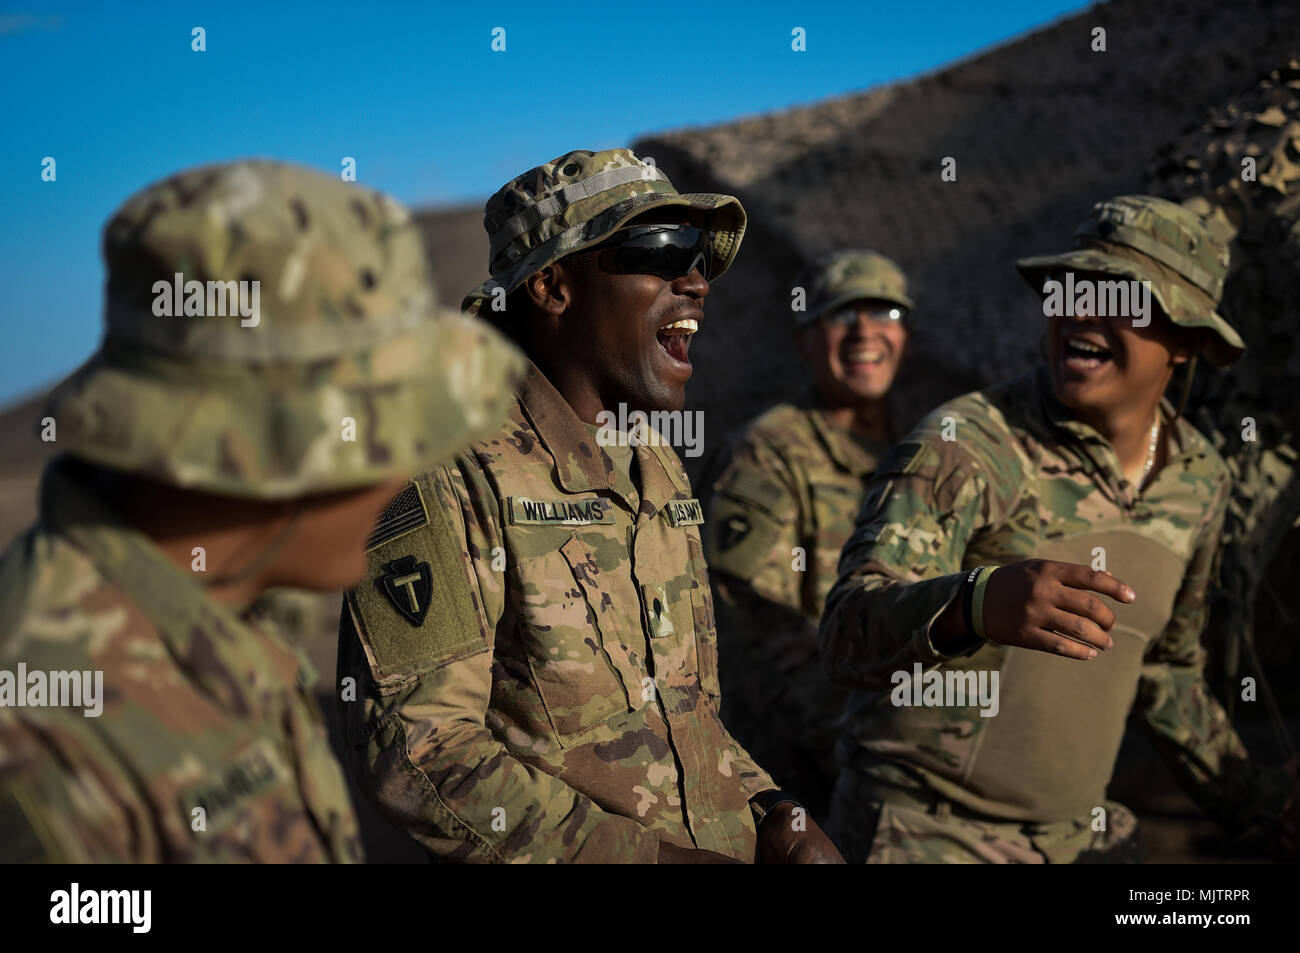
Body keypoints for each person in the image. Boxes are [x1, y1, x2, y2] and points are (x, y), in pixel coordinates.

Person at [0, 159, 523, 862]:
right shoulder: (42, 743)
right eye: (390, 431)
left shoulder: (217, 612)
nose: (410, 467)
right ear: (263, 451)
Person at [338, 147, 843, 863]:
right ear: (551, 285)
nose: (695, 280)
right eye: (661, 249)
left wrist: (772, 811)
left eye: (699, 255)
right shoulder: (448, 472)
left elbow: (681, 716)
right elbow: (419, 754)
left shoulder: (654, 464)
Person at [820, 194, 1296, 863]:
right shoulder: (968, 444)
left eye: (1121, 297)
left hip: (1077, 839)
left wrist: (1263, 805)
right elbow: (844, 633)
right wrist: (976, 603)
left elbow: (1167, 670)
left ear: (1186, 341)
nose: (1078, 311)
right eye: (1070, 288)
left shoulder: (1200, 481)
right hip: (926, 835)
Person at [702, 250, 913, 820]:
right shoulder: (767, 453)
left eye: (885, 314)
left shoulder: (923, 451)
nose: (865, 332)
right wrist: (872, 761)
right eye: (842, 316)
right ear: (804, 340)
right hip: (805, 779)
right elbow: (753, 629)